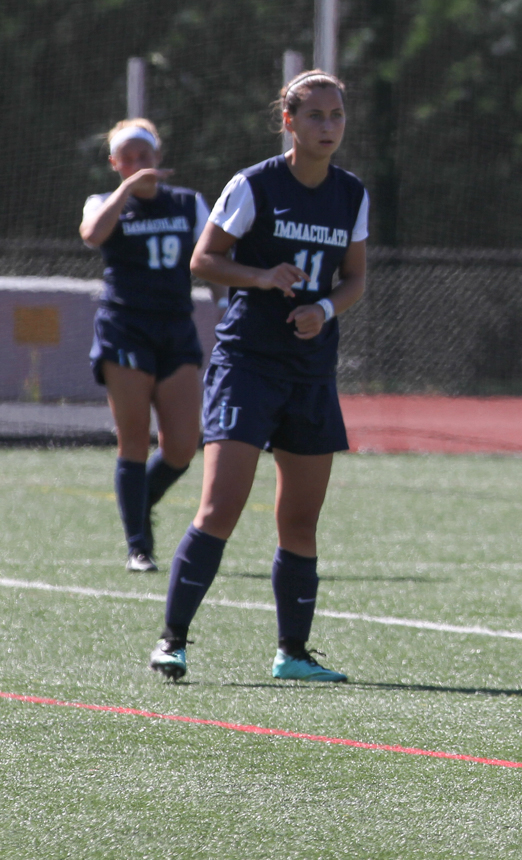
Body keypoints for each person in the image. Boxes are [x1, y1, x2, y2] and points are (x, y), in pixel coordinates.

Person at [147, 70, 368, 683]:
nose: (329, 126)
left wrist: (322, 310)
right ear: (289, 121)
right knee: (220, 505)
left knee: (299, 519)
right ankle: (173, 641)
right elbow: (204, 259)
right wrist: (264, 276)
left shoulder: (351, 194)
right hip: (248, 362)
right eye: (316, 115)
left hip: (311, 370)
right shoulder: (254, 185)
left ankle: (292, 654)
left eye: (337, 116)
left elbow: (354, 279)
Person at [80, 119, 216, 573]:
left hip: (175, 331)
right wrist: (126, 191)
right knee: (133, 438)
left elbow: (214, 258)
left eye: (146, 155)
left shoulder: (186, 202)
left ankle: (141, 502)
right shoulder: (104, 202)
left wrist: (229, 307)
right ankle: (138, 544)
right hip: (125, 330)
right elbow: (92, 234)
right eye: (129, 157)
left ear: (159, 156)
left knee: (181, 445)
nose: (139, 164)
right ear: (115, 163)